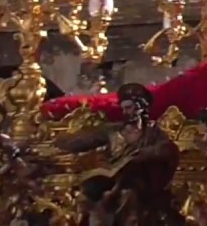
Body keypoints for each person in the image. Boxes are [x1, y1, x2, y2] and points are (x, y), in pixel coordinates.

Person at [55, 83, 183, 226]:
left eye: (129, 107)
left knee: (127, 195)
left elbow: (169, 150)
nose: (125, 112)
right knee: (86, 194)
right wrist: (60, 141)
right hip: (110, 179)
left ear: (140, 108)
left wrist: (146, 154)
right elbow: (87, 140)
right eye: (123, 108)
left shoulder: (153, 133)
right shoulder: (114, 131)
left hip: (139, 184)